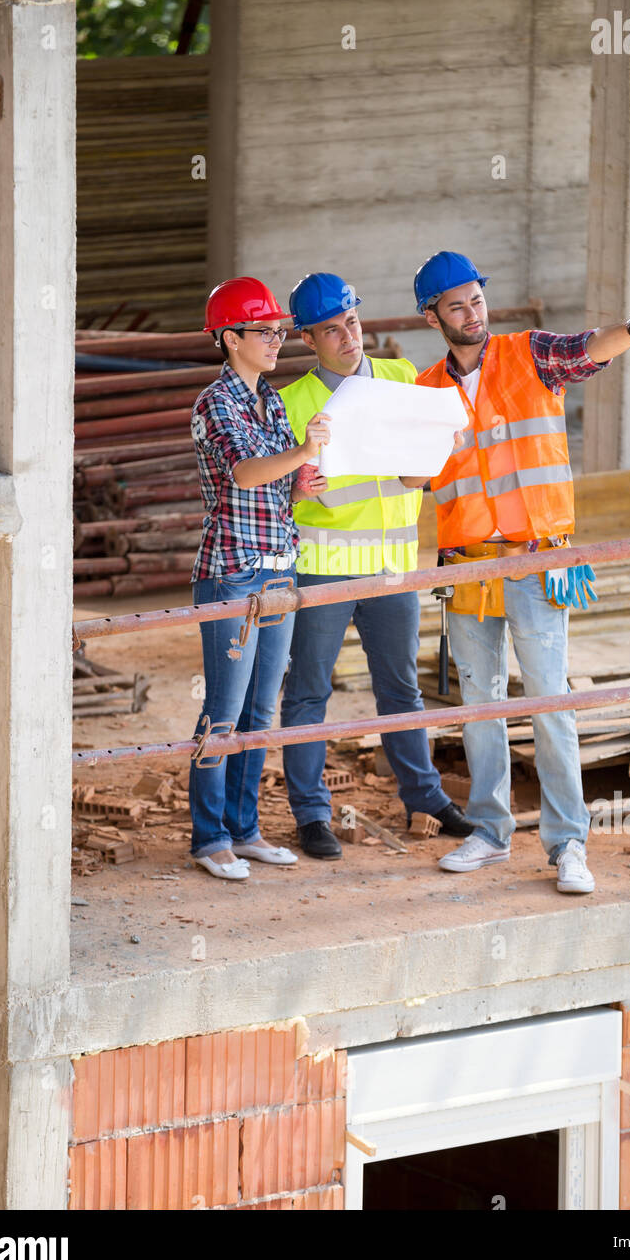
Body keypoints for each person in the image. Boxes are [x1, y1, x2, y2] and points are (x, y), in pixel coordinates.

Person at [410, 250, 630, 892]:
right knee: (480, 703)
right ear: (433, 316)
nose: (472, 312)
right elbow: (412, 480)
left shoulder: (528, 354)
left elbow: (589, 349)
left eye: (476, 299)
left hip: (538, 561)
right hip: (466, 569)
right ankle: (489, 832)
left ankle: (568, 845)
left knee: (550, 702)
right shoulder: (425, 392)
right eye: (456, 305)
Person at [277, 271, 475, 860]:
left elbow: (423, 463)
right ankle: (312, 814)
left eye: (353, 323)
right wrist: (296, 487)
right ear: (307, 340)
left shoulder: (398, 376)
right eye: (331, 330)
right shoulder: (291, 404)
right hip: (324, 566)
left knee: (401, 690)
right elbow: (280, 495)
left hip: (392, 566)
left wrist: (432, 463)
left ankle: (425, 798)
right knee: (309, 693)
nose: (347, 337)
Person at [188, 277, 330, 880]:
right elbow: (245, 474)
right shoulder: (214, 404)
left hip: (277, 568)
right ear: (229, 337)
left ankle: (243, 829)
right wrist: (300, 455)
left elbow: (270, 488)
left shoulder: (268, 400)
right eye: (263, 331)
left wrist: (297, 486)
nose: (276, 340)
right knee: (223, 710)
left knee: (259, 712)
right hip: (233, 573)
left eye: (278, 331)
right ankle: (208, 835)